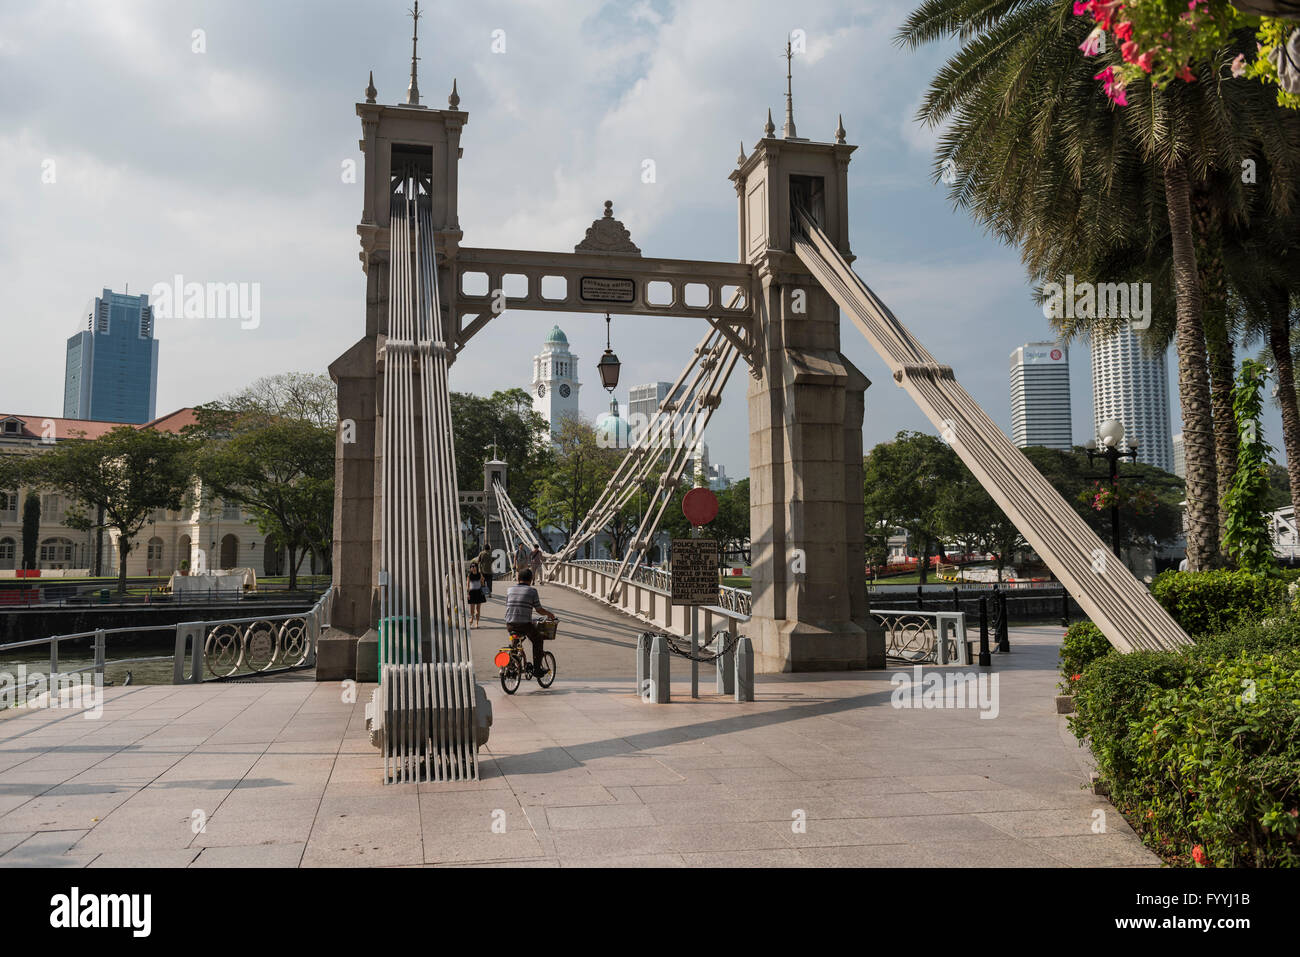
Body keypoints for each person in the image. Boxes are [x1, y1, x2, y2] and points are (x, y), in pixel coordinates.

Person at [503, 568, 555, 678]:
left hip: (509, 623)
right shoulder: (532, 591)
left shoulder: (510, 590)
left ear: (518, 579)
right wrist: (550, 614)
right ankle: (537, 669)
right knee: (537, 640)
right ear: (531, 580)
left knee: (516, 640)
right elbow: (539, 610)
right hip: (524, 624)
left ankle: (512, 663)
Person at [466, 562, 486, 626]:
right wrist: (467, 594)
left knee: (478, 609)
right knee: (472, 609)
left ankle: (477, 622)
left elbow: (482, 584)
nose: (473, 568)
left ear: (476, 567)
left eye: (474, 566)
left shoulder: (480, 575)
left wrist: (482, 581)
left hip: (478, 592)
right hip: (472, 593)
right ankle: (472, 618)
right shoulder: (469, 575)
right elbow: (468, 585)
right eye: (471, 567)